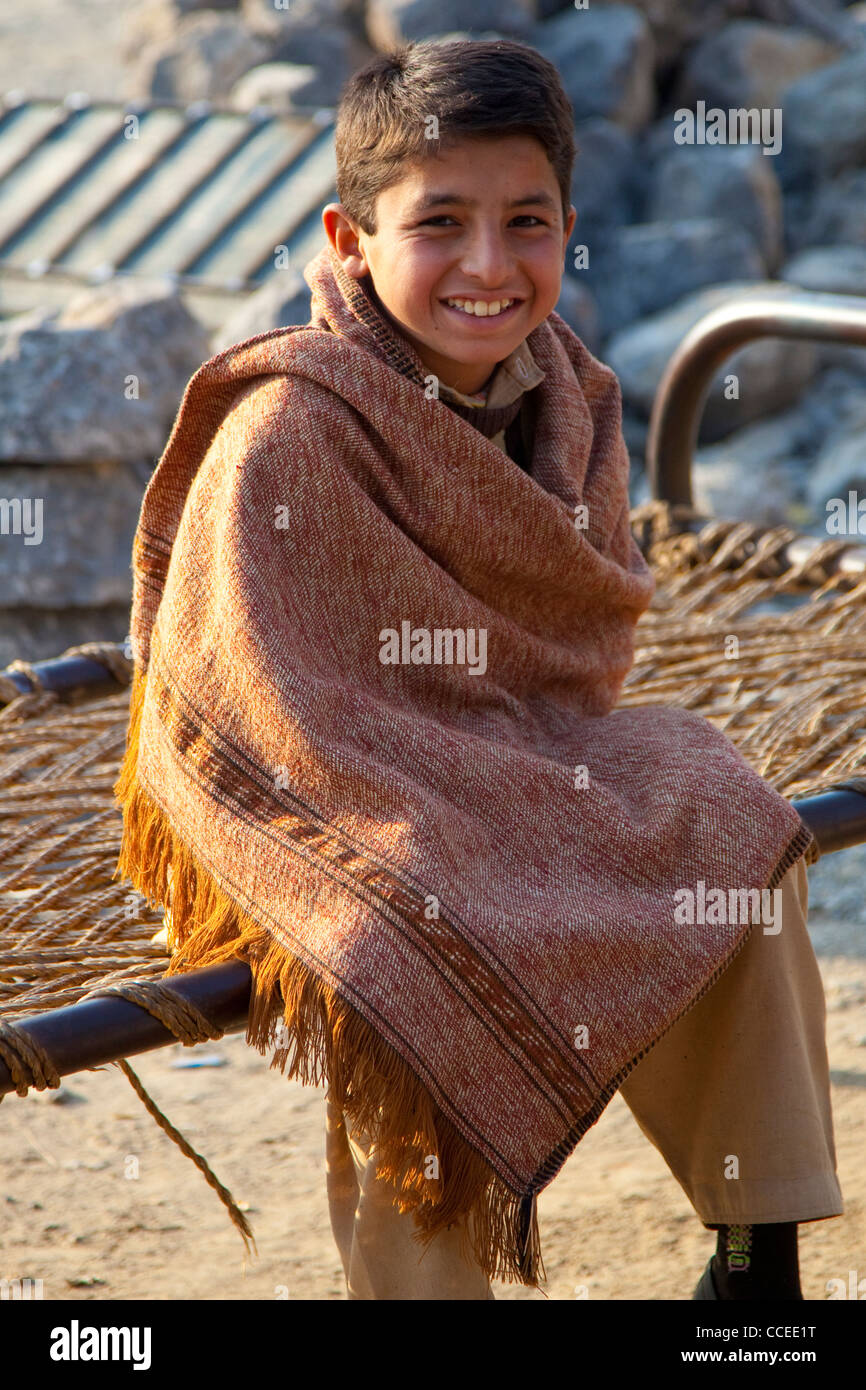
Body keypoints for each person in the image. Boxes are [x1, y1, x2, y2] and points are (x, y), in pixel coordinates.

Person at [116, 37, 842, 1302]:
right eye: (437, 223)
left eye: (526, 222)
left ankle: (751, 1256)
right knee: (396, 932)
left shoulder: (566, 393)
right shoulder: (286, 431)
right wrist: (445, 797)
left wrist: (503, 771)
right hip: (333, 782)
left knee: (723, 801)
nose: (488, 267)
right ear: (346, 240)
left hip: (506, 747)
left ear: (568, 226)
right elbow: (259, 700)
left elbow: (575, 644)